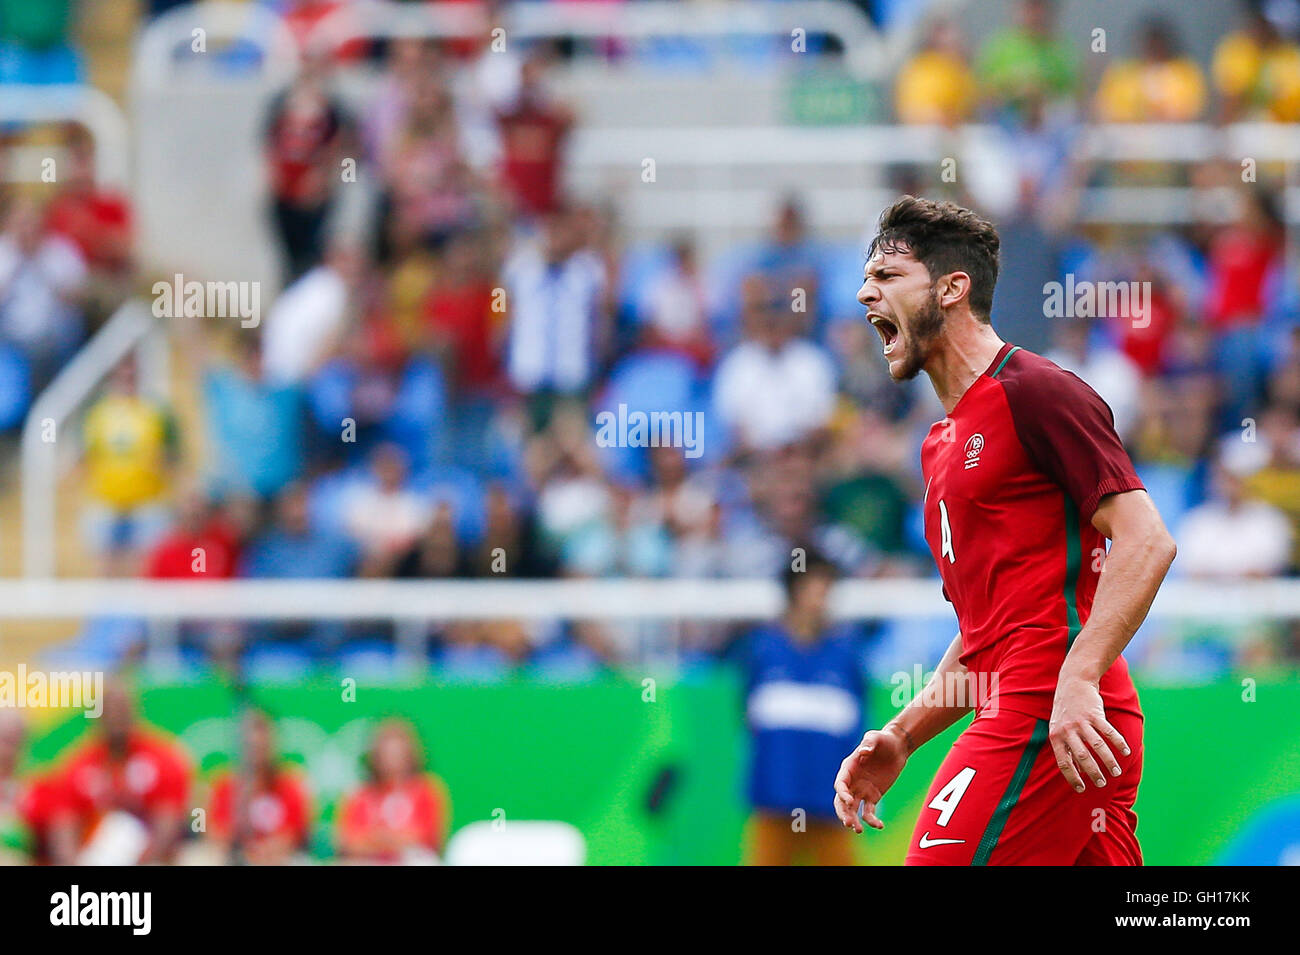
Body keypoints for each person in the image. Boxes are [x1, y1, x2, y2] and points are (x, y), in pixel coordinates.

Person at [835, 196, 1176, 866]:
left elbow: (1147, 539)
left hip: (1051, 711)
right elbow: (988, 633)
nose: (863, 293)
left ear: (952, 287)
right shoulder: (938, 446)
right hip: (1058, 710)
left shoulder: (1038, 391)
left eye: (885, 277)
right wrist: (904, 734)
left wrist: (1078, 677)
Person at [736, 550, 864, 866]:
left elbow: (858, 725)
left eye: (827, 588)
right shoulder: (762, 649)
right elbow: (746, 716)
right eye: (815, 586)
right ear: (794, 591)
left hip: (830, 803)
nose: (822, 597)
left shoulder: (846, 655)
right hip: (773, 800)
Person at [55, 682, 193, 865]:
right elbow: (64, 826)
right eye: (109, 710)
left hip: (149, 856)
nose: (116, 716)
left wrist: (147, 860)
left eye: (121, 709)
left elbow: (168, 821)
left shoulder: (163, 759)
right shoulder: (77, 765)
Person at [336, 720, 451, 864]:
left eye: (398, 750)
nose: (392, 757)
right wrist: (393, 840)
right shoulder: (359, 794)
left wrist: (376, 838)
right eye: (387, 750)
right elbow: (348, 843)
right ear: (375, 755)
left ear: (411, 753)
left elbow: (426, 840)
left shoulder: (428, 790)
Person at [206, 710, 312, 865]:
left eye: (262, 732)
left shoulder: (291, 785)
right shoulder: (224, 785)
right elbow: (216, 835)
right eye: (248, 735)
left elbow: (290, 837)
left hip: (277, 858)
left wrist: (259, 853)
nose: (255, 741)